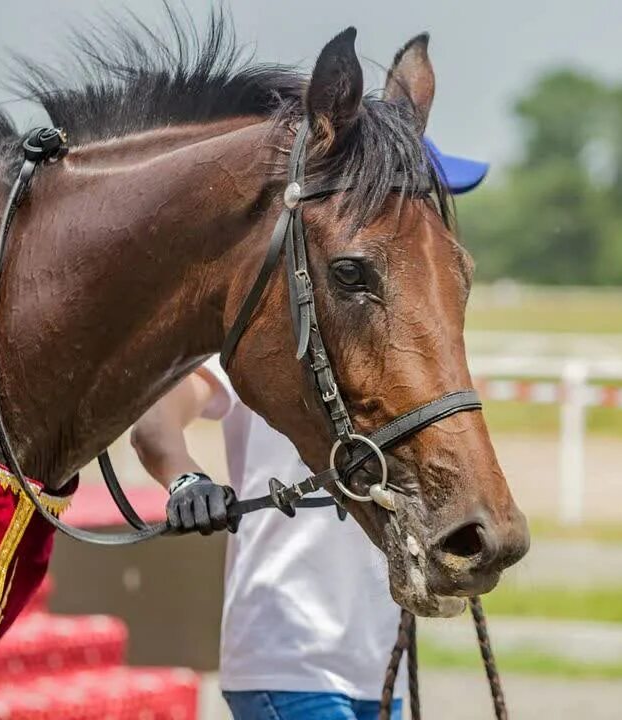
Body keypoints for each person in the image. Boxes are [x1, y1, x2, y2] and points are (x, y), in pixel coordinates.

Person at [130, 141, 487, 720]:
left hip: (377, 663)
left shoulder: (415, 360)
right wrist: (184, 479)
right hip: (288, 655)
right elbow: (158, 416)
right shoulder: (285, 337)